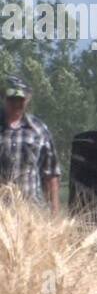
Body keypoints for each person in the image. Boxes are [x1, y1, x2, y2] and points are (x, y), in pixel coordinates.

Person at [0, 75, 61, 211]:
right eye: (12, 99)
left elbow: (51, 174)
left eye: (20, 100)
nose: (16, 104)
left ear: (27, 99)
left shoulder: (39, 130)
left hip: (32, 214)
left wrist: (55, 214)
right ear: (3, 97)